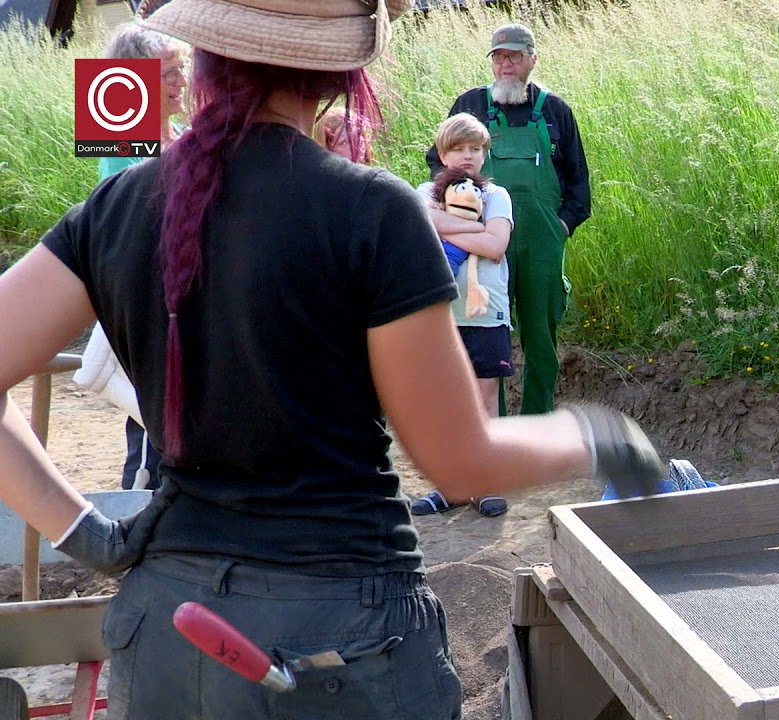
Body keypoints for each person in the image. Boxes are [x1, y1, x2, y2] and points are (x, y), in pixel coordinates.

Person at [0, 1, 663, 718]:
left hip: (168, 628)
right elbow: (460, 461)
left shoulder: (119, 204)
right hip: (342, 635)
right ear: (340, 73)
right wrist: (599, 436)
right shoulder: (370, 209)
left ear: (206, 60)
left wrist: (83, 533)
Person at [426, 22, 590, 416]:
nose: (506, 65)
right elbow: (438, 168)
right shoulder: (470, 105)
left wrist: (558, 229)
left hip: (541, 244)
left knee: (541, 339)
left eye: (515, 56)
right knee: (485, 336)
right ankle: (491, 430)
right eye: (499, 57)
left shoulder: (555, 111)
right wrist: (463, 227)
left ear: (532, 59)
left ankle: (537, 425)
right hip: (480, 243)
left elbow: (579, 189)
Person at [75, 20, 190, 490]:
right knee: (149, 428)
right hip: (146, 292)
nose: (182, 81)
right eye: (168, 73)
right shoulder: (123, 131)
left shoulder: (179, 131)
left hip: (182, 295)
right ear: (136, 78)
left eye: (182, 70)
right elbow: (120, 216)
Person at [413, 114, 515, 518]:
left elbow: (496, 244)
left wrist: (446, 226)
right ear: (442, 154)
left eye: (475, 149)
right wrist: (473, 228)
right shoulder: (424, 190)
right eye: (458, 149)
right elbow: (424, 222)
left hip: (487, 313)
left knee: (484, 400)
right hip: (440, 314)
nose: (467, 156)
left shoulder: (498, 195)